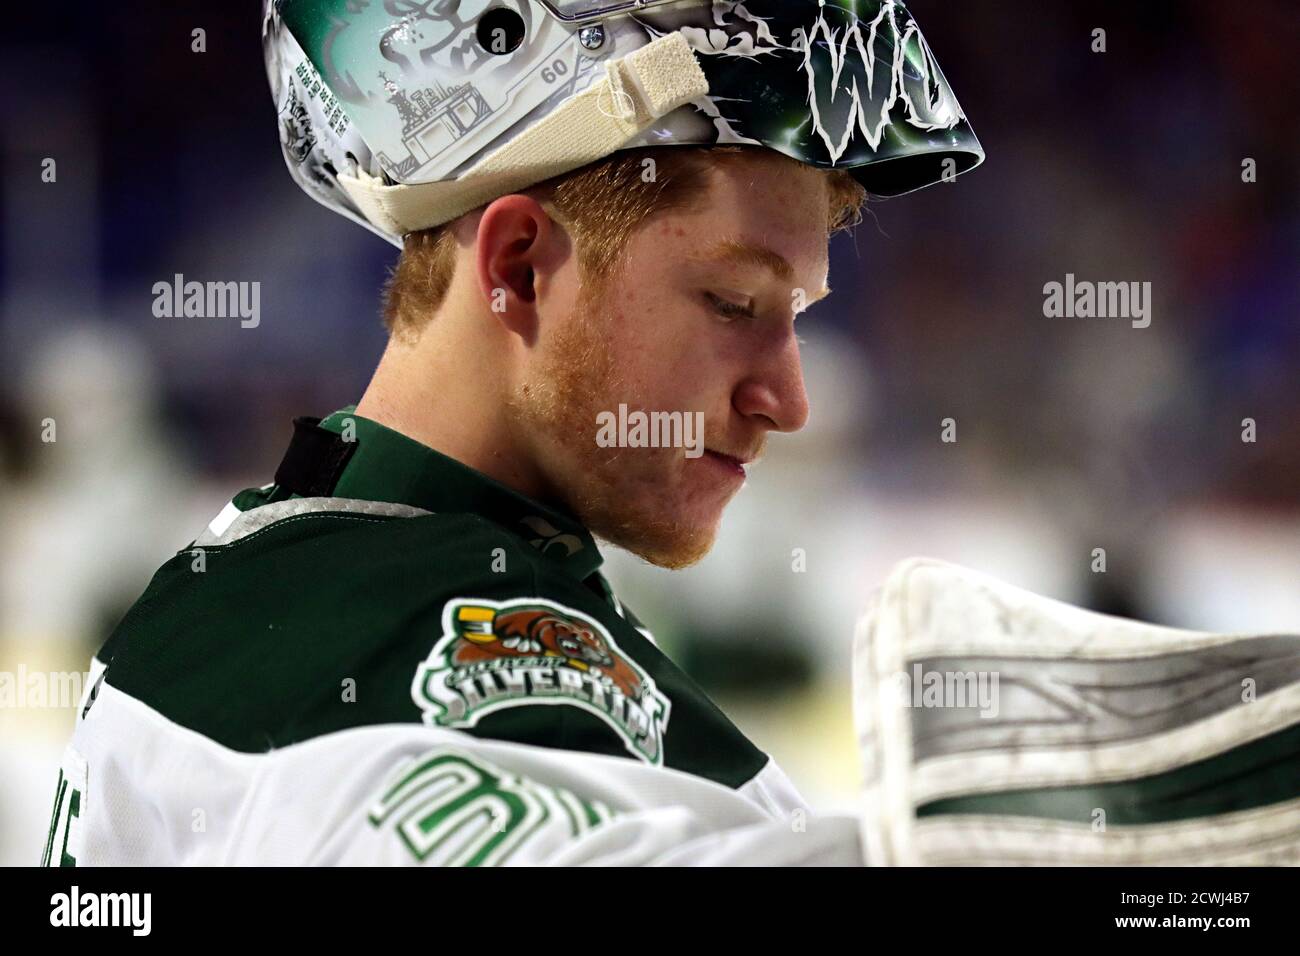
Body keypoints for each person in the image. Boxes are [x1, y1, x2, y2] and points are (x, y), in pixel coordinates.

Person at [42, 0, 983, 866]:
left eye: (798, 315)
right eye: (733, 303)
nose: (788, 400)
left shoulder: (273, 584)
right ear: (521, 268)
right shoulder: (392, 652)